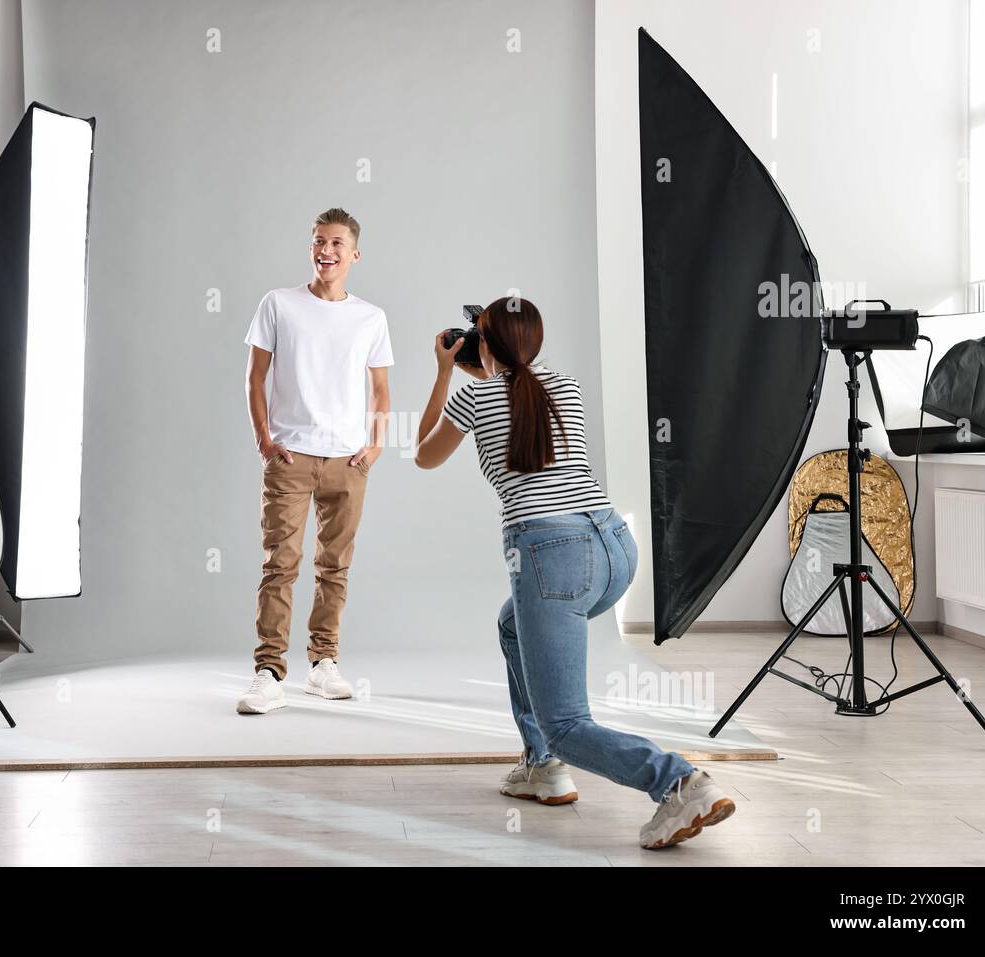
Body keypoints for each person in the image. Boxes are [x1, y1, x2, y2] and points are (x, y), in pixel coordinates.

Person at [413, 296, 735, 848]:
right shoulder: (563, 384)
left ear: (482, 345)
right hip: (612, 547)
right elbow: (519, 397)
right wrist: (488, 365)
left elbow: (424, 454)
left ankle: (678, 782)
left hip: (552, 557)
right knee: (512, 626)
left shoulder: (473, 397)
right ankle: (540, 766)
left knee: (567, 722)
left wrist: (446, 372)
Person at [236, 208, 393, 715]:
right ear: (311, 249)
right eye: (319, 242)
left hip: (348, 461)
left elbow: (382, 391)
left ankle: (323, 664)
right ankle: (268, 672)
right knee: (279, 564)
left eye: (337, 243)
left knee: (335, 567)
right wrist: (264, 439)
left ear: (354, 254)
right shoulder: (279, 304)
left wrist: (373, 448)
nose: (327, 250)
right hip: (290, 456)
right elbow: (255, 377)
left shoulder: (371, 317)